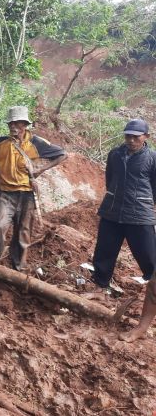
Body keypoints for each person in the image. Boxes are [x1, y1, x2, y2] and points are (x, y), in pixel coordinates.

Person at [89, 119, 156, 342]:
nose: (131, 140)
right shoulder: (114, 154)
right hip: (112, 212)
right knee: (104, 252)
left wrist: (146, 205)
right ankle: (100, 286)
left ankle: (152, 292)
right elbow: (110, 179)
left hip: (139, 215)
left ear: (146, 136)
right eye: (128, 135)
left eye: (136, 136)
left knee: (149, 259)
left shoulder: (152, 158)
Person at [0, 106, 66, 271]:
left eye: (17, 123)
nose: (13, 126)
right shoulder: (0, 143)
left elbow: (62, 154)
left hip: (27, 195)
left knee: (23, 231)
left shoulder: (36, 142)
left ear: (25, 124)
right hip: (5, 193)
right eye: (11, 123)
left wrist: (40, 170)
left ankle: (19, 267)